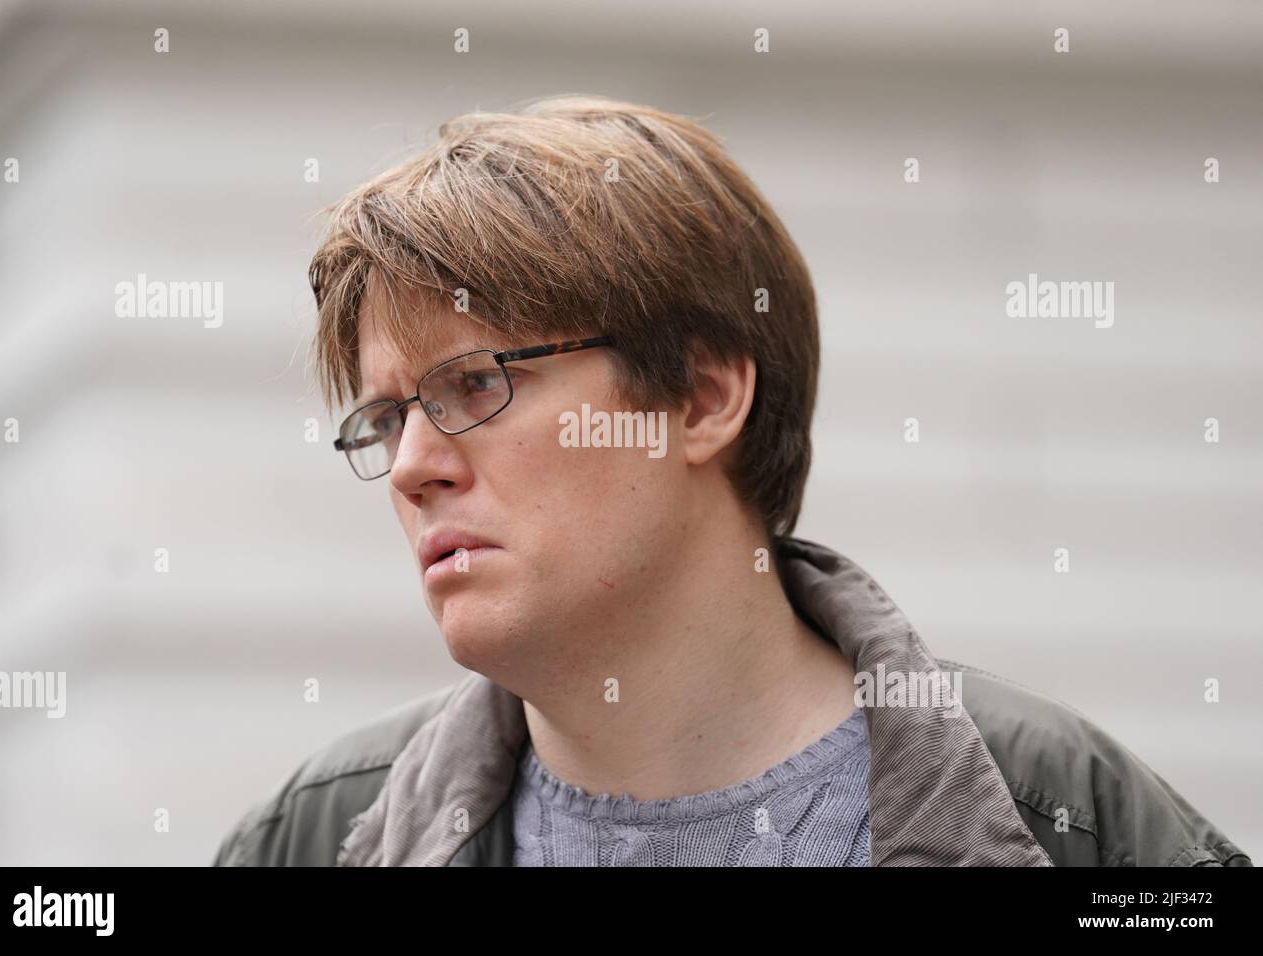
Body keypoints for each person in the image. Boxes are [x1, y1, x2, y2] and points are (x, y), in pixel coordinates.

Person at [214, 95, 1250, 867]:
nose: (410, 466)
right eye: (387, 418)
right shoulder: (308, 838)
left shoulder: (1075, 820)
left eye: (475, 382)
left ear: (705, 396)